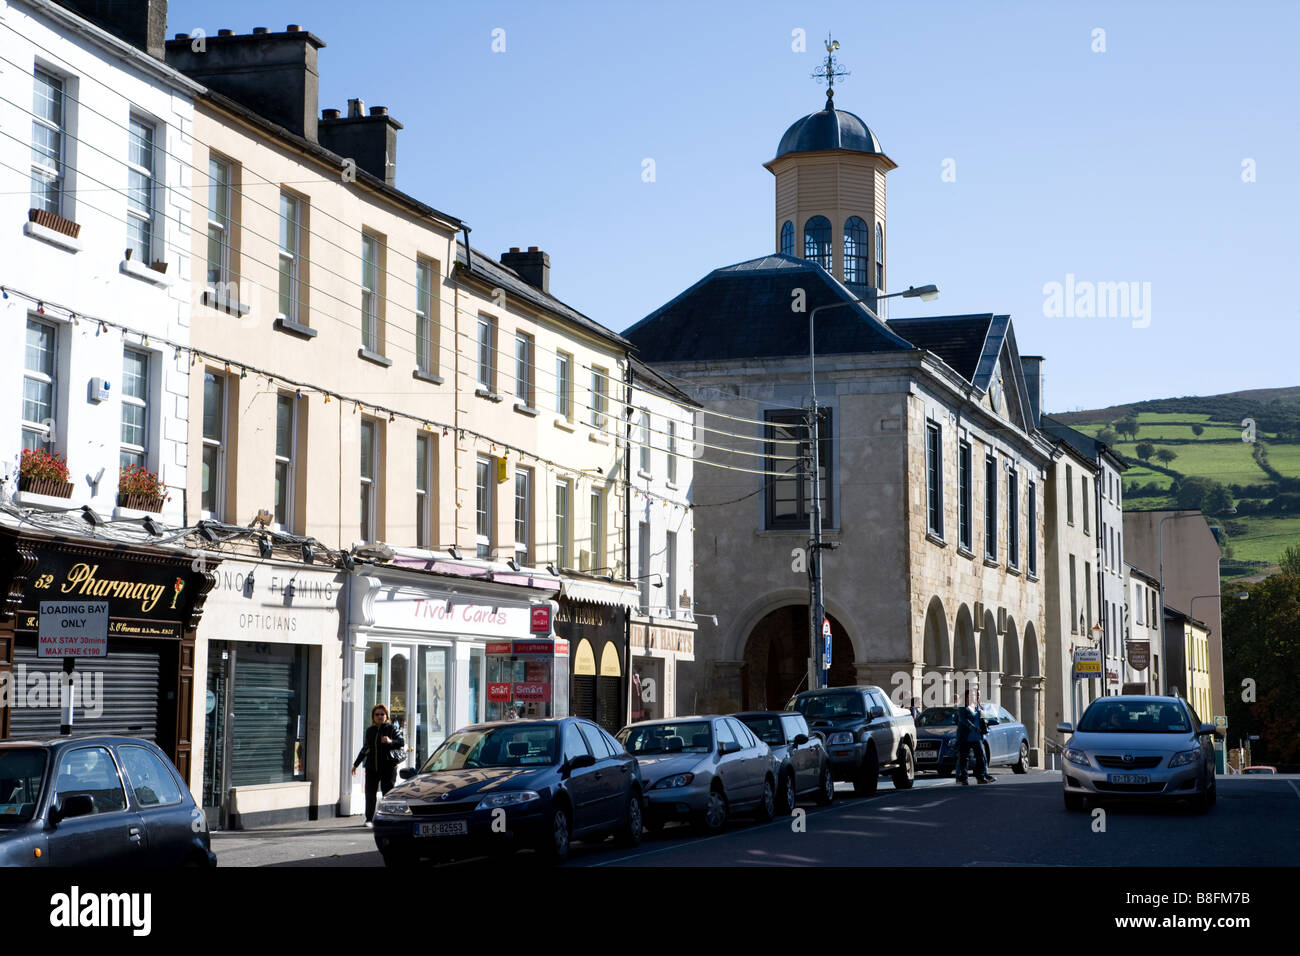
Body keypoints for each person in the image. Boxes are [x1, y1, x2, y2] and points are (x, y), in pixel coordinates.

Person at [352, 704, 405, 827]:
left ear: (386, 716)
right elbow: (366, 748)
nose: (380, 716)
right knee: (370, 794)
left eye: (382, 714)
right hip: (372, 767)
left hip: (388, 767)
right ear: (373, 717)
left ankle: (388, 818)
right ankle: (369, 819)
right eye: (377, 714)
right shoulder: (370, 731)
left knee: (387, 794)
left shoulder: (392, 729)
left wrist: (390, 741)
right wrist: (356, 764)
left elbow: (401, 742)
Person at [954, 690, 994, 785]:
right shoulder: (962, 707)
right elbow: (963, 720)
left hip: (977, 736)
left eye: (974, 695)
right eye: (971, 695)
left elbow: (983, 719)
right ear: (966, 696)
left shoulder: (977, 707)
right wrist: (973, 728)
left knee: (980, 757)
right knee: (964, 758)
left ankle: (980, 777)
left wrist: (983, 715)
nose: (973, 697)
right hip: (965, 736)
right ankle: (964, 778)